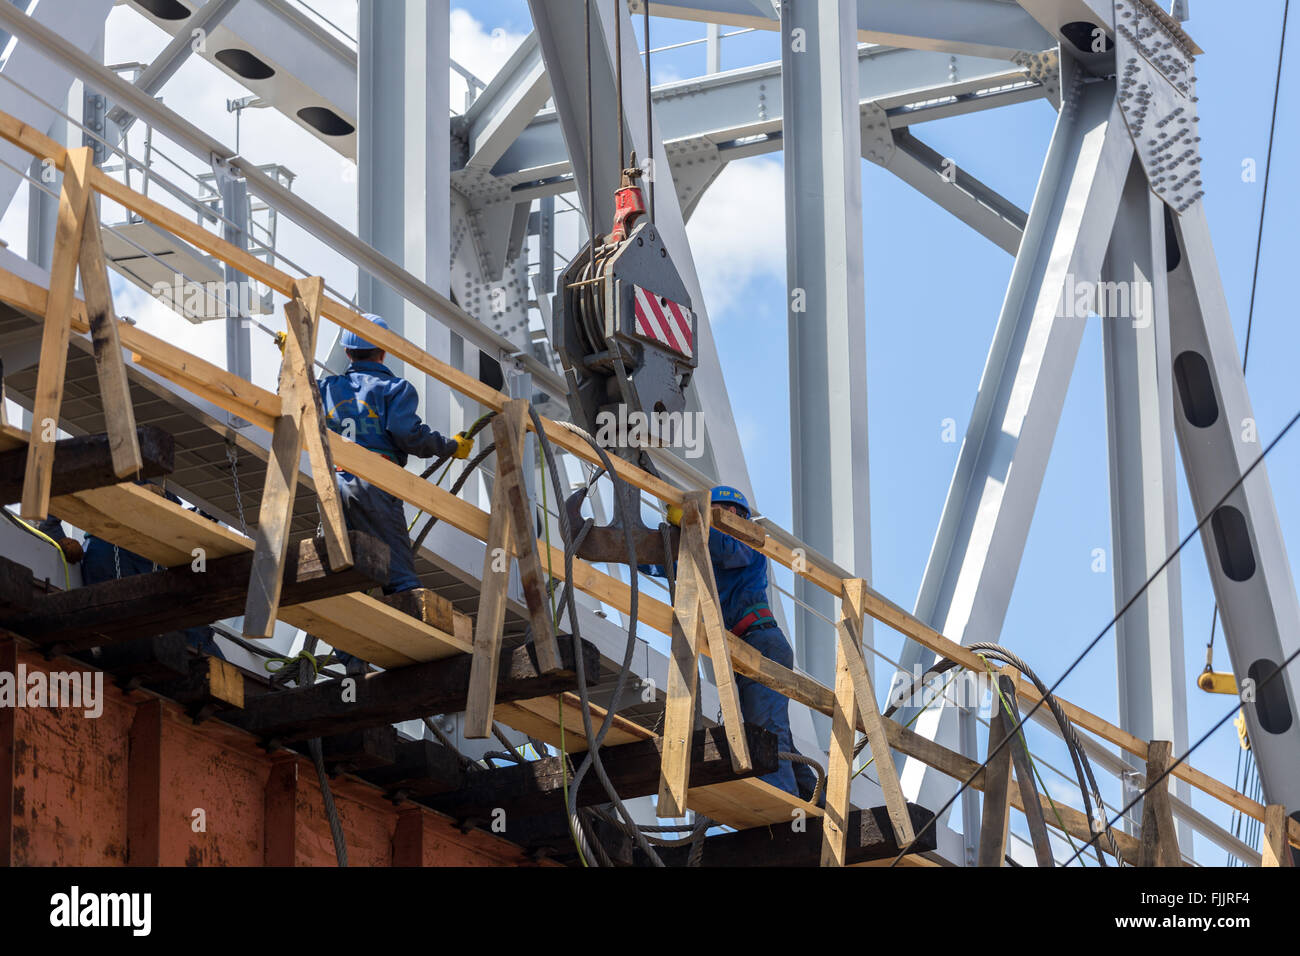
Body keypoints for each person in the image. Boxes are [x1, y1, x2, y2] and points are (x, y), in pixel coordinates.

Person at [644, 485, 819, 802]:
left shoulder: (747, 542)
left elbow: (725, 548)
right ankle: (814, 801)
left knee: (765, 730)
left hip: (761, 643)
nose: (725, 517)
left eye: (727, 512)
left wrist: (690, 519)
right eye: (718, 511)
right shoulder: (704, 550)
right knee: (774, 730)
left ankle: (782, 802)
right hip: (744, 648)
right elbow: (658, 562)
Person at [318, 312, 472, 597]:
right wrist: (450, 447)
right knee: (400, 575)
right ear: (384, 351)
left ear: (347, 352)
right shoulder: (393, 390)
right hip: (374, 484)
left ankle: (340, 640)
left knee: (343, 570)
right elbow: (408, 434)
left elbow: (292, 401)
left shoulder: (325, 388)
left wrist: (287, 362)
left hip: (331, 483)